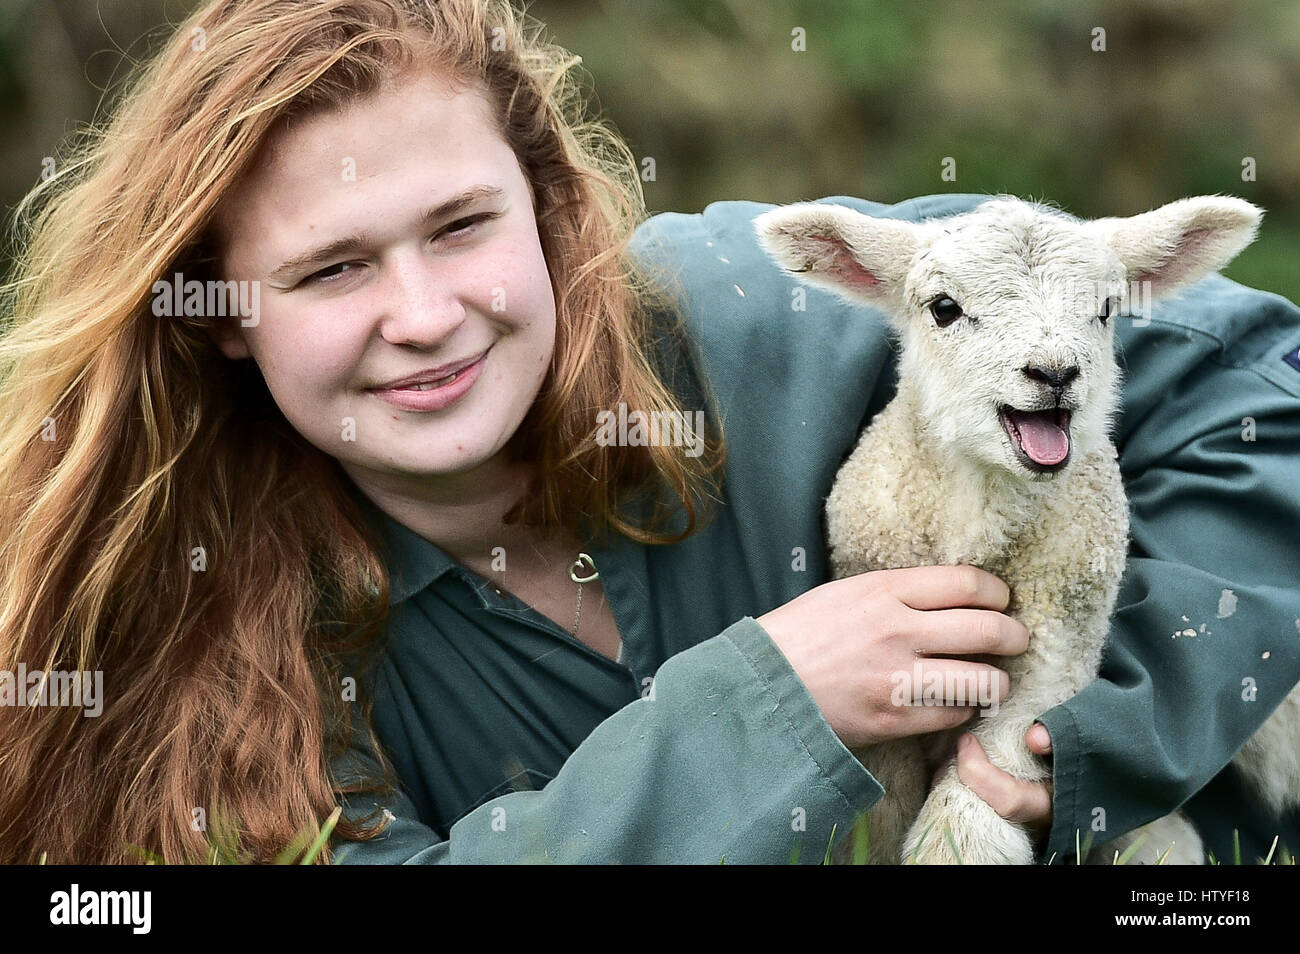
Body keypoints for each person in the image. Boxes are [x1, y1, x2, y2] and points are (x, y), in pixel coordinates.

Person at [0, 0, 1295, 866]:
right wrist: (763, 705)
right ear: (222, 309)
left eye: (462, 227)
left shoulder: (752, 306)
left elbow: (1264, 386)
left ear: (548, 205)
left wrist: (1068, 748)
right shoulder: (205, 629)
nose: (426, 315)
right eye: (332, 270)